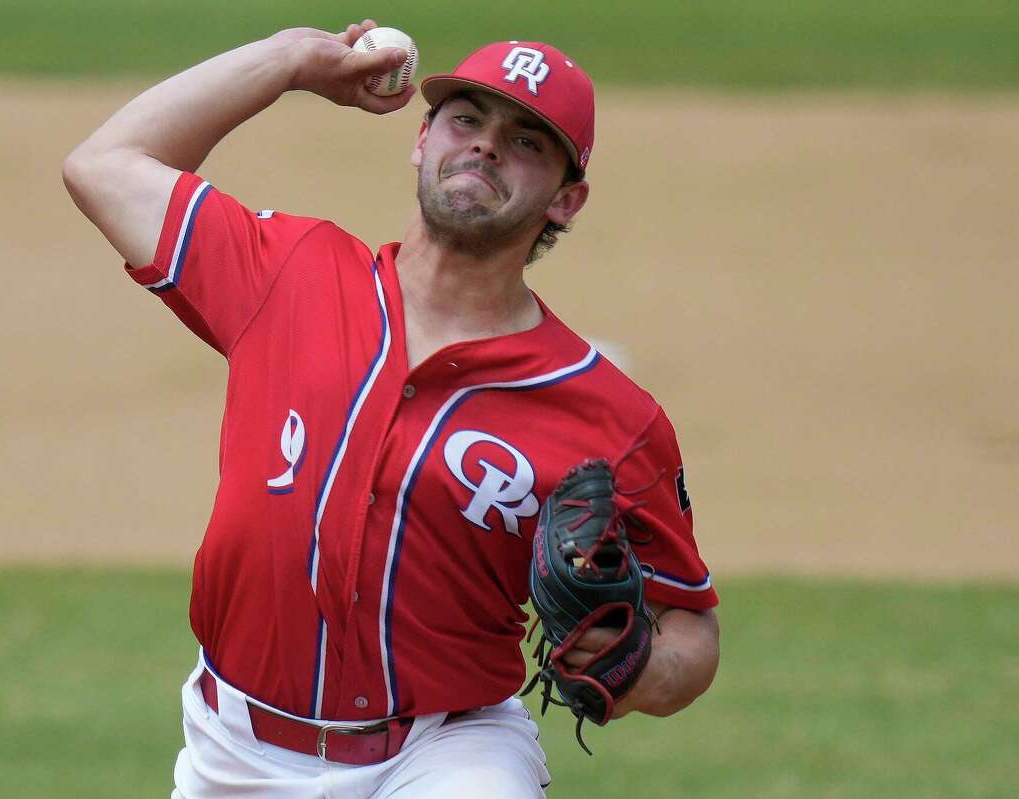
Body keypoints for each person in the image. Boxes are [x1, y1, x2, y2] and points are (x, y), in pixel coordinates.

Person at [63, 21, 720, 799]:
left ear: (566, 199)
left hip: (445, 753)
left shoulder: (608, 414)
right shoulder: (290, 274)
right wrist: (291, 59)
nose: (485, 146)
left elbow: (691, 624)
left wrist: (642, 670)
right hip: (232, 751)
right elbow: (103, 165)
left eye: (525, 142)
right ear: (422, 139)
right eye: (466, 120)